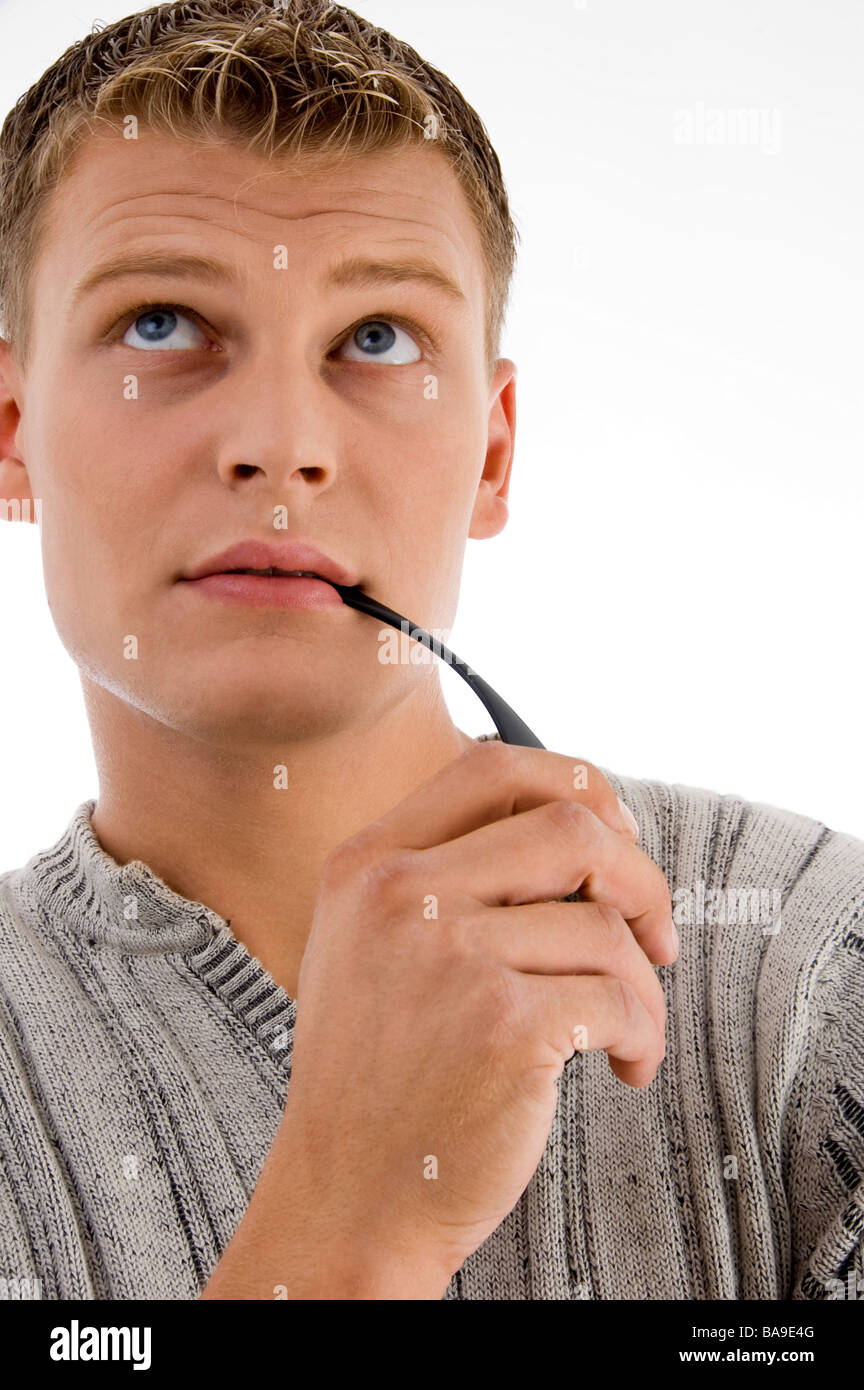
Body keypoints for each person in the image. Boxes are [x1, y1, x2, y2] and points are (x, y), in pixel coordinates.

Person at [0, 0, 861, 1302]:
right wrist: (347, 1234)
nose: (282, 444)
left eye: (377, 339)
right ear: (11, 431)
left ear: (495, 454)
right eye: (163, 325)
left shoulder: (815, 969)